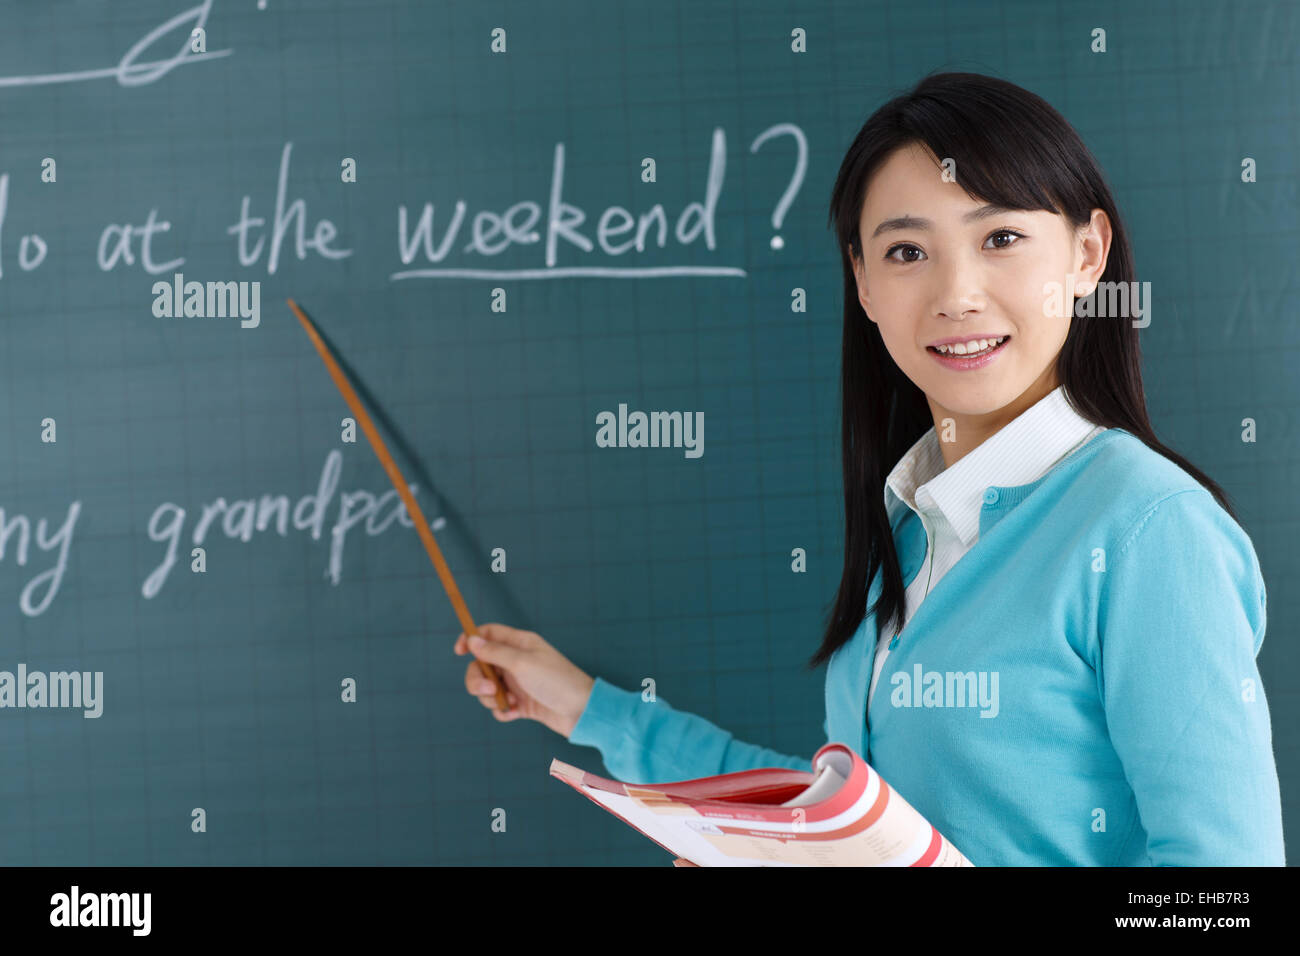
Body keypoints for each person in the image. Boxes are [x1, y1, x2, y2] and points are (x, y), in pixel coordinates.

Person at [455, 71, 1285, 866]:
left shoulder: (1149, 531)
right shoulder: (909, 522)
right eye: (905, 252)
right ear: (862, 281)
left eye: (1001, 238)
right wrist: (585, 708)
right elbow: (846, 816)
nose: (957, 293)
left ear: (1086, 253)